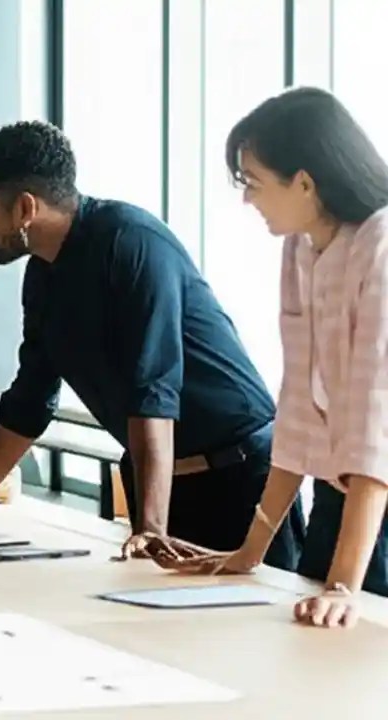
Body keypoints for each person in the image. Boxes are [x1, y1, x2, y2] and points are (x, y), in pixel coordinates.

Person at [0, 120, 305, 570]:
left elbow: (154, 390)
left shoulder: (132, 243)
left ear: (25, 208)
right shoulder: (42, 275)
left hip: (239, 481)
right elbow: (30, 401)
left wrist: (151, 527)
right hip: (161, 485)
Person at [163, 87, 388, 627]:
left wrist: (343, 586)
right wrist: (250, 553)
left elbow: (374, 418)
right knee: (309, 635)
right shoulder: (301, 247)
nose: (248, 199)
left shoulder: (381, 244)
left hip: (376, 491)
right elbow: (298, 409)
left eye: (253, 182)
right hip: (343, 491)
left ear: (305, 182)